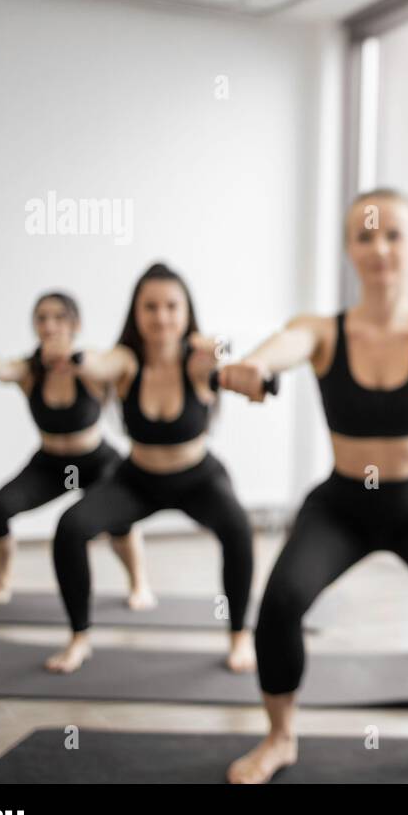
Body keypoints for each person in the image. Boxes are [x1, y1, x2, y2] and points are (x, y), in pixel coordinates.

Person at [220, 189, 408, 784]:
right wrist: (256, 364)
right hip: (343, 504)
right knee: (281, 604)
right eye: (365, 235)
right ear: (350, 249)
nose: (379, 248)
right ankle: (280, 737)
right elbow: (285, 344)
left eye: (393, 234)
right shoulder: (322, 331)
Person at [45, 263, 254, 674]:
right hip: (137, 479)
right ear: (136, 314)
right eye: (151, 307)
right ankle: (79, 638)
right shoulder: (126, 362)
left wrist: (220, 349)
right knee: (71, 527)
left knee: (238, 528)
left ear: (186, 312)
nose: (161, 317)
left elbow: (221, 358)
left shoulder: (195, 362)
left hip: (198, 478)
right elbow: (100, 363)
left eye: (171, 307)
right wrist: (75, 356)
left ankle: (239, 636)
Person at [0, 291, 149, 611]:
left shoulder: (89, 365)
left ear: (76, 324)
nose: (49, 325)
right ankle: (0, 585)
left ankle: (139, 583)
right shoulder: (30, 370)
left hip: (96, 461)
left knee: (119, 520)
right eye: (42, 318)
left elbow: (107, 365)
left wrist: (75, 358)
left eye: (59, 317)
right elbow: (3, 368)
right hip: (51, 464)